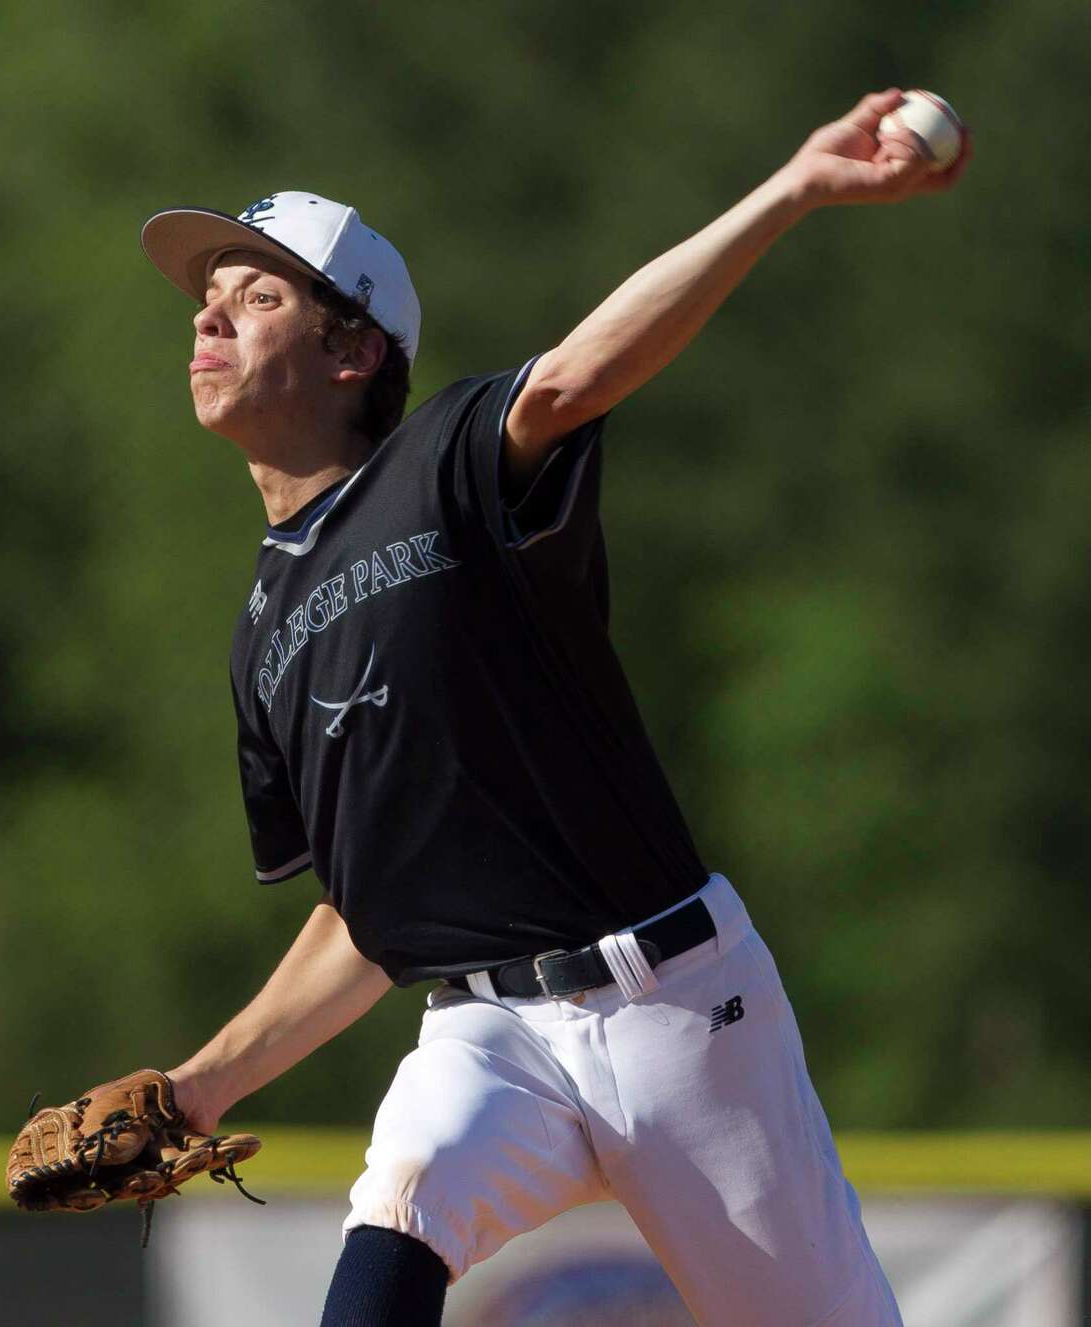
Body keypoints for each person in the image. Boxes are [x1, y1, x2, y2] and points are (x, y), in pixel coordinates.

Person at [139, 89, 969, 1327]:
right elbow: (365, 910)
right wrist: (196, 1089)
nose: (208, 310)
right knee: (394, 1224)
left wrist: (792, 190)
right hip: (487, 1036)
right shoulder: (262, 639)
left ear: (351, 349)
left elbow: (585, 368)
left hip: (681, 1010)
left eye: (258, 293)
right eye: (208, 294)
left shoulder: (443, 464)